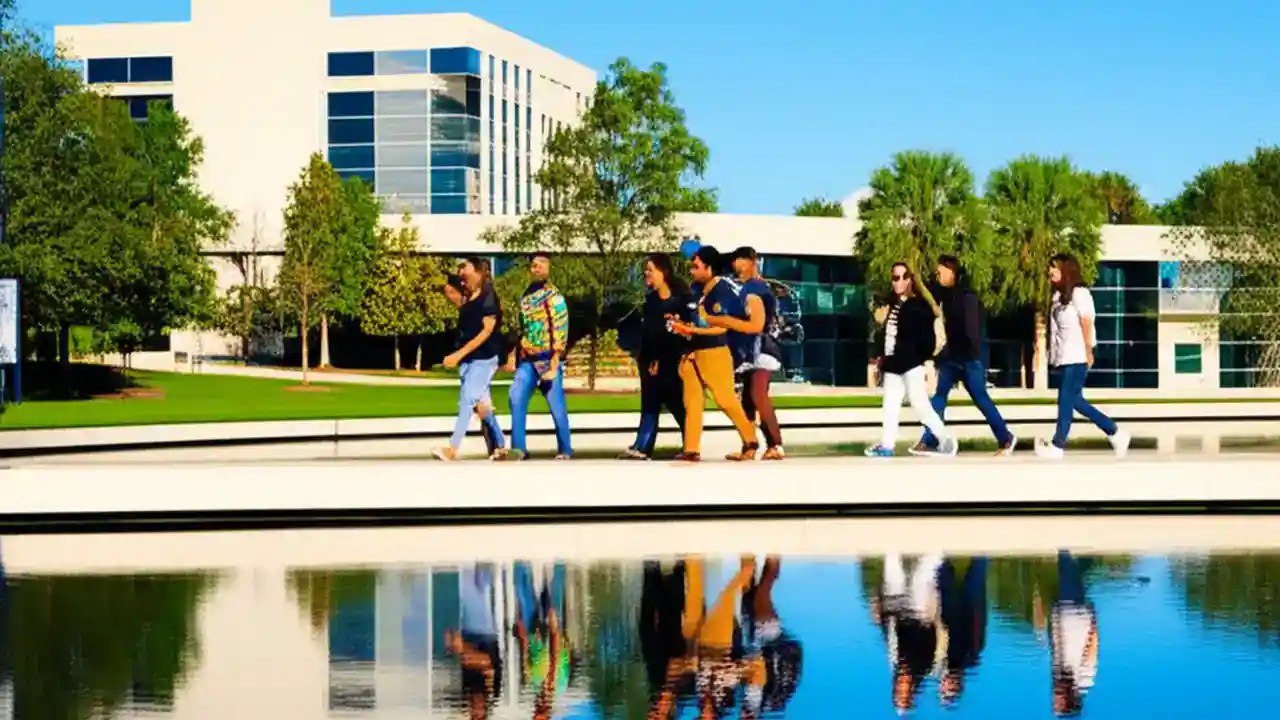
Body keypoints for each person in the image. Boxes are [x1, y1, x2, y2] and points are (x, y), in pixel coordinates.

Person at [913, 255, 1017, 457]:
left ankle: (1006, 438)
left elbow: (972, 331)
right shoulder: (946, 295)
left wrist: (969, 355)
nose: (938, 275)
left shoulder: (967, 296)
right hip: (952, 357)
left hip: (969, 359)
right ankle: (930, 439)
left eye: (940, 271)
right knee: (939, 397)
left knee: (981, 399)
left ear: (952, 272)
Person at [1035, 254, 1131, 459]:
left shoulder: (1080, 294)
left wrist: (1089, 351)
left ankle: (1057, 445)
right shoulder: (1057, 296)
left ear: (1067, 270)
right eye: (1050, 268)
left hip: (1076, 356)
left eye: (1055, 268)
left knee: (1065, 400)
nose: (1051, 272)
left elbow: (1087, 322)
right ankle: (1116, 432)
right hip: (1062, 357)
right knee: (1076, 401)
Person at [669, 246, 760, 462]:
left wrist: (691, 330)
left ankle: (750, 440)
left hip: (715, 350)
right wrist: (681, 323)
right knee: (691, 400)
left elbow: (721, 328)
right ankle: (691, 449)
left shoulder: (724, 290)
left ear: (709, 268)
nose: (692, 271)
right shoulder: (697, 289)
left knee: (725, 399)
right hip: (693, 351)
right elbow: (695, 315)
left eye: (696, 266)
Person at [865, 262, 958, 458]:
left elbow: (927, 339)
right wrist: (880, 358)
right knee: (889, 407)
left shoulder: (917, 306)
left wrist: (917, 357)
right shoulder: (893, 305)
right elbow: (888, 336)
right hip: (892, 365)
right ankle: (887, 445)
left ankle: (945, 440)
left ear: (909, 280)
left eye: (902, 277)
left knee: (920, 405)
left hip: (910, 365)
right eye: (894, 278)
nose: (898, 282)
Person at [702, 246, 784, 461]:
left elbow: (755, 325)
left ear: (751, 261)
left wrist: (721, 320)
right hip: (749, 352)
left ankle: (775, 444)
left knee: (757, 394)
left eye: (739, 260)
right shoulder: (748, 288)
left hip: (761, 349)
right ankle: (750, 445)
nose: (735, 264)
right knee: (748, 398)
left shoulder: (755, 289)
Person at [435, 258, 507, 461]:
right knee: (482, 406)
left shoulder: (488, 297)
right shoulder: (470, 297)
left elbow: (486, 332)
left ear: (478, 271)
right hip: (469, 361)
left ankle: (452, 448)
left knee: (467, 400)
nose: (460, 272)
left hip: (484, 359)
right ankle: (501, 446)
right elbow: (454, 295)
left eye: (464, 267)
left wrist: (458, 354)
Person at [621, 253, 691, 460]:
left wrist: (660, 360)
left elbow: (681, 333)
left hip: (671, 361)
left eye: (651, 269)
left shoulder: (680, 301)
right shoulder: (651, 301)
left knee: (676, 403)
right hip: (650, 360)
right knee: (650, 403)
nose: (646, 273)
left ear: (663, 272)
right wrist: (648, 359)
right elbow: (650, 333)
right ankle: (643, 445)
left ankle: (690, 442)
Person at [505, 252, 572, 461]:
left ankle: (565, 449)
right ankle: (518, 447)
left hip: (547, 357)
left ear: (548, 268)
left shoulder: (554, 297)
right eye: (533, 266)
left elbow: (560, 328)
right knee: (516, 396)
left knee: (556, 404)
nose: (536, 269)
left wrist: (554, 363)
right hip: (528, 358)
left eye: (540, 265)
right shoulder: (526, 296)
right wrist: (514, 354)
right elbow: (521, 328)